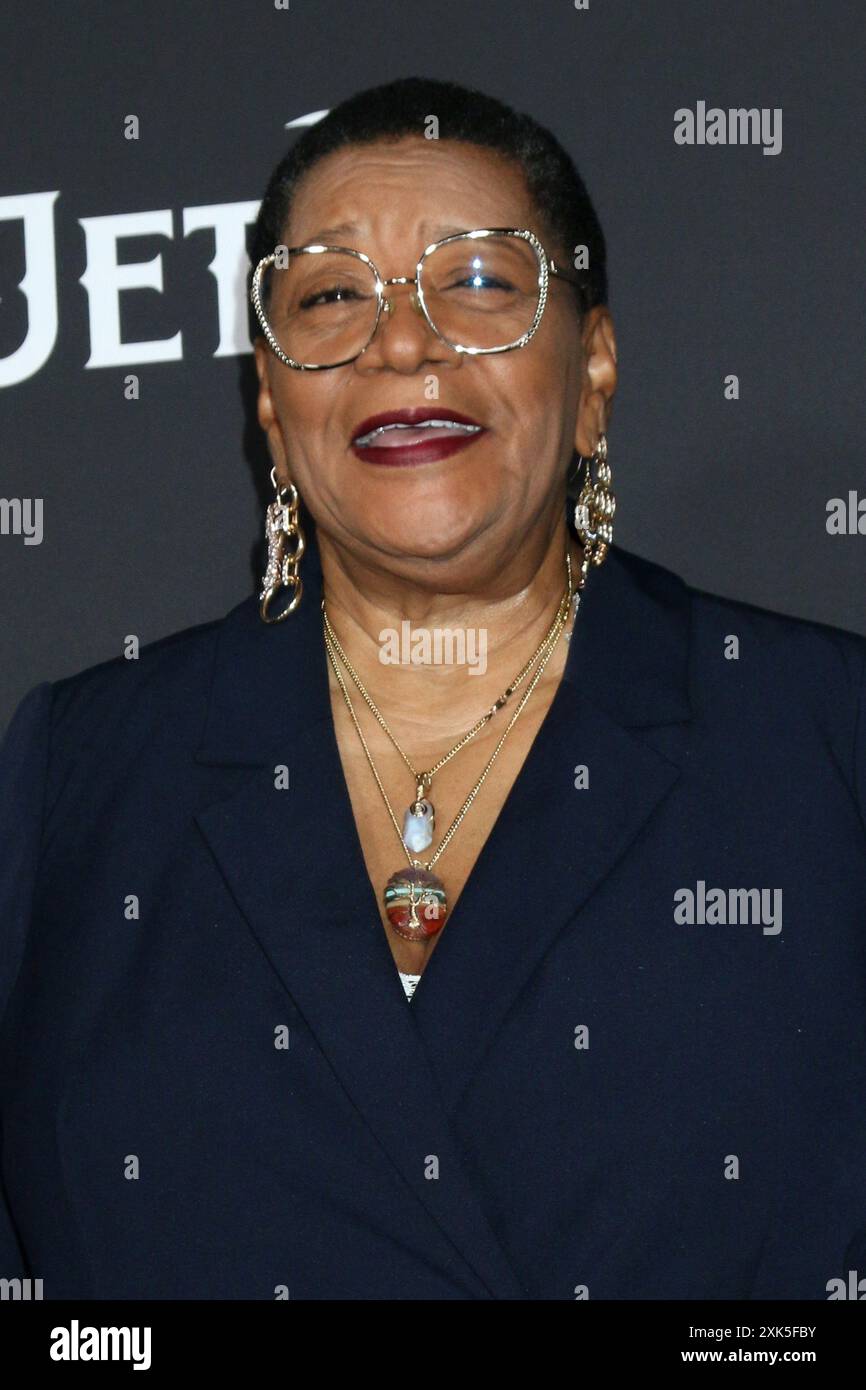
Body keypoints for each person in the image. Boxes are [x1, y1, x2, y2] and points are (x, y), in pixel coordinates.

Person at [1, 76, 865, 1301]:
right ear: (269, 396)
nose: (399, 341)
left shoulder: (822, 743)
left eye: (475, 282)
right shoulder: (78, 774)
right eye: (332, 295)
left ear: (595, 368)